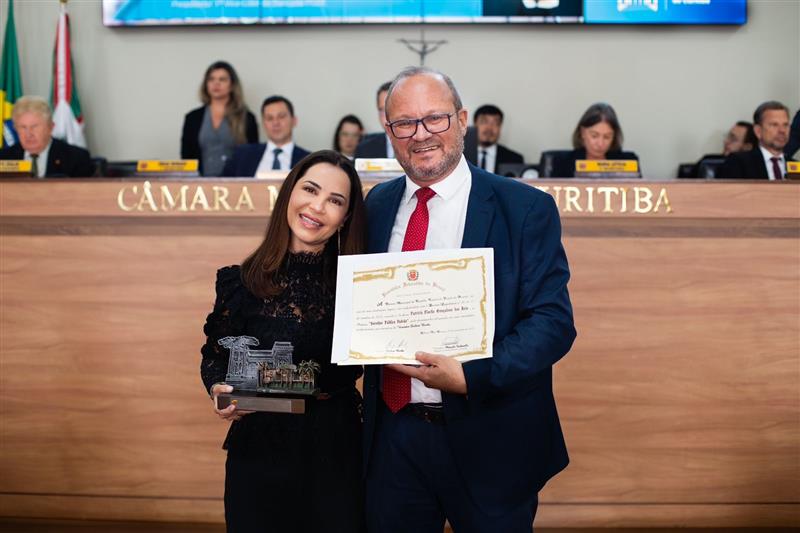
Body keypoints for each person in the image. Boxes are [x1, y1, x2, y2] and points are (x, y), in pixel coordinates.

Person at [362, 67, 575, 533]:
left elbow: (553, 323)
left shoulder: (524, 208)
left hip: (492, 435)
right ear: (389, 133)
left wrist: (471, 375)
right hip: (394, 439)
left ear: (461, 120)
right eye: (404, 124)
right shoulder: (375, 206)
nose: (420, 135)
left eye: (434, 119)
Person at [201, 150, 367, 532]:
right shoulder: (239, 281)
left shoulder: (360, 287)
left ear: (345, 218)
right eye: (310, 190)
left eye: (335, 201)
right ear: (289, 193)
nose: (318, 207)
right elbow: (215, 357)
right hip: (259, 450)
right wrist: (218, 388)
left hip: (336, 449)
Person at [180, 61, 258, 176]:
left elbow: (252, 156)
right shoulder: (192, 118)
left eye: (222, 79)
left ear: (232, 85)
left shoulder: (247, 118)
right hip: (199, 184)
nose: (216, 83)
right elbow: (186, 157)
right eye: (211, 79)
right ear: (206, 84)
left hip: (236, 184)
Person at [0, 96, 93, 177]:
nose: (28, 134)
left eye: (34, 126)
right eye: (23, 127)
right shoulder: (3, 158)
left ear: (50, 127)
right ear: (15, 128)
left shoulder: (76, 158)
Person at [223, 95, 310, 176]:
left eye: (281, 116)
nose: (275, 123)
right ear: (263, 124)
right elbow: (221, 184)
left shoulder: (309, 161)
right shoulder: (242, 155)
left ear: (294, 121)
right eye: (269, 118)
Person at [545, 102, 638, 177]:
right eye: (594, 136)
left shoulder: (628, 162)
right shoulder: (563, 163)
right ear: (582, 132)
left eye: (607, 137)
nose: (600, 143)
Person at [718, 101, 793, 180]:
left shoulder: (796, 165)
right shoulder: (738, 163)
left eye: (785, 125)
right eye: (774, 125)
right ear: (758, 131)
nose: (782, 130)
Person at [468, 104, 524, 174]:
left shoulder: (514, 159)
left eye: (495, 123)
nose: (489, 128)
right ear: (475, 125)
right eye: (484, 122)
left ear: (500, 127)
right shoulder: (461, 156)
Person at [354, 82, 393, 159]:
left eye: (391, 109)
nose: (387, 117)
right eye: (382, 110)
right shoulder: (364, 149)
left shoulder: (418, 144)